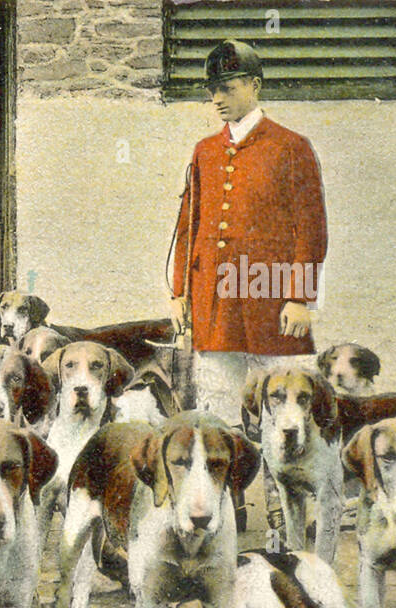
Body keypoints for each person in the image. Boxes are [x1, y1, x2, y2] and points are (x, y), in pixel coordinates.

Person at [169, 39, 329, 531]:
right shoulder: (204, 151)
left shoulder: (291, 146)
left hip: (272, 302)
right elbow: (188, 222)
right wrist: (179, 292)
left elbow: (312, 225)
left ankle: (289, 524)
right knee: (219, 412)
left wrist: (301, 295)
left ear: (254, 87)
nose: (218, 98)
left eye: (229, 87)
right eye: (212, 90)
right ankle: (230, 518)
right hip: (215, 304)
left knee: (286, 414)